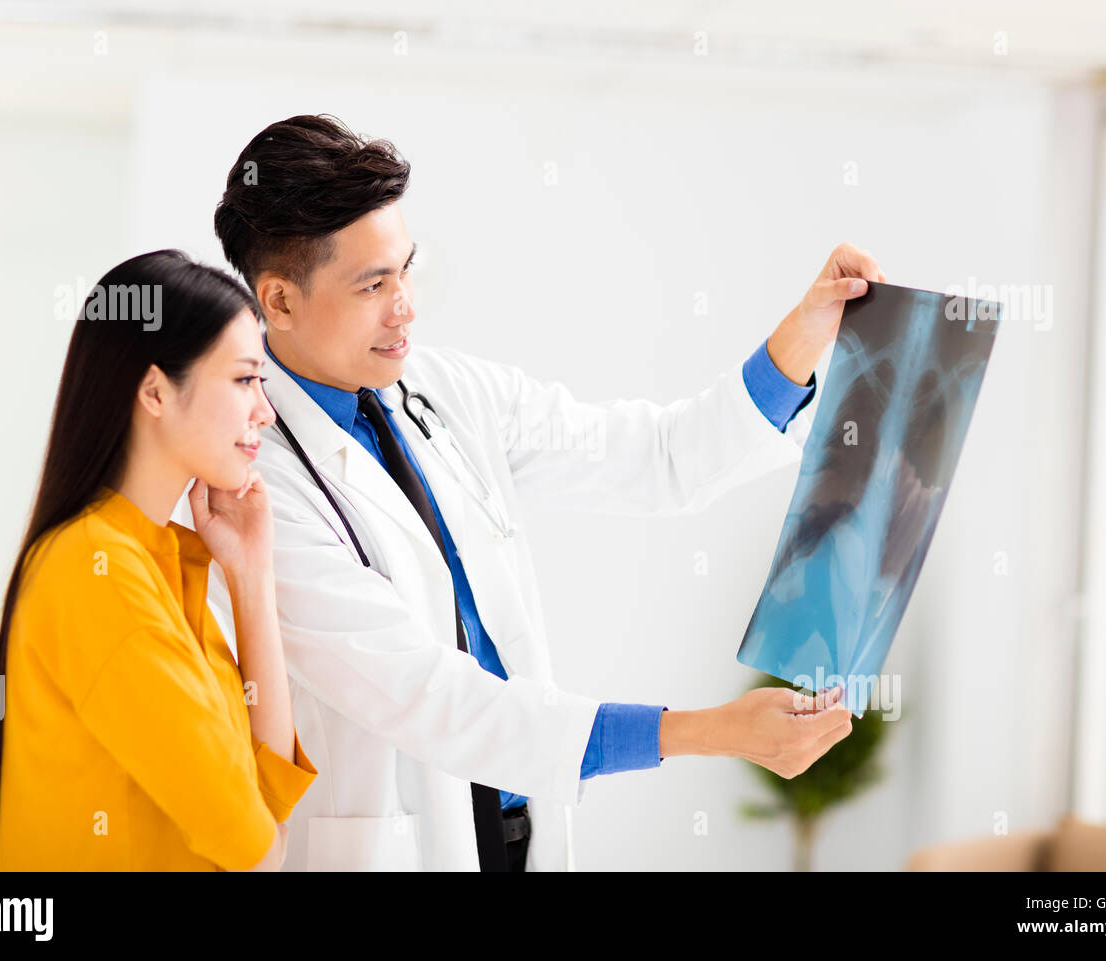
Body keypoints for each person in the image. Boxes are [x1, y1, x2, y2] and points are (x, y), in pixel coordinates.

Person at [196, 114, 881, 871]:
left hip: (522, 840)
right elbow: (438, 700)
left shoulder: (445, 390)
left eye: (407, 269)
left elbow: (658, 455)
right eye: (373, 284)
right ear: (280, 302)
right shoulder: (257, 483)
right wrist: (706, 730)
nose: (407, 305)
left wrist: (805, 333)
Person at [0, 249, 317, 871]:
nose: (264, 414)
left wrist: (250, 575)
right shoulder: (96, 569)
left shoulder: (154, 562)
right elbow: (256, 849)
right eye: (244, 380)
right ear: (156, 391)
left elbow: (270, 801)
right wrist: (263, 837)